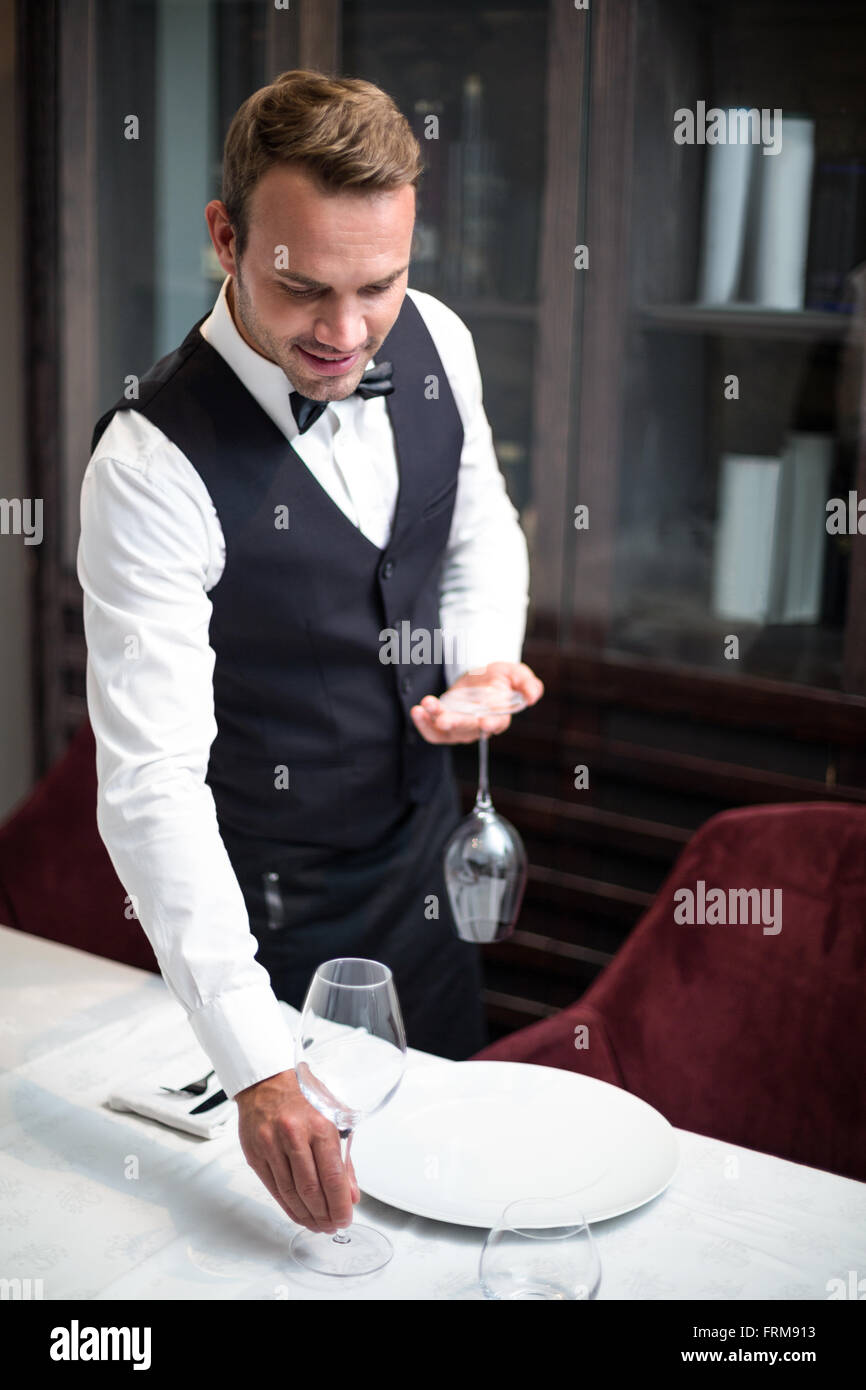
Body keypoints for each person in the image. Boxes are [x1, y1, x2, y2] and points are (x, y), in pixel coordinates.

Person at [78, 69, 543, 1238]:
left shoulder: (438, 336)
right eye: (303, 287)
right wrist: (254, 1066)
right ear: (226, 236)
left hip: (424, 873)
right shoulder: (149, 464)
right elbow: (148, 790)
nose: (343, 332)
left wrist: (479, 662)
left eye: (376, 284)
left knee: (451, 1214)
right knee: (298, 1255)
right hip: (265, 922)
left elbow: (476, 520)